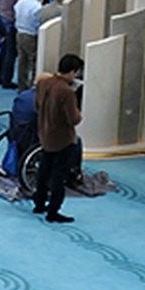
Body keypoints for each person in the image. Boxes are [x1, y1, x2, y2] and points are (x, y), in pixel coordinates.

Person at [32, 54, 85, 223]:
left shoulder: (43, 83)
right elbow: (73, 119)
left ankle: (39, 203)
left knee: (44, 171)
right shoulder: (66, 92)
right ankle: (53, 211)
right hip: (62, 138)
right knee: (59, 176)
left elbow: (37, 105)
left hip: (45, 134)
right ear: (72, 71)